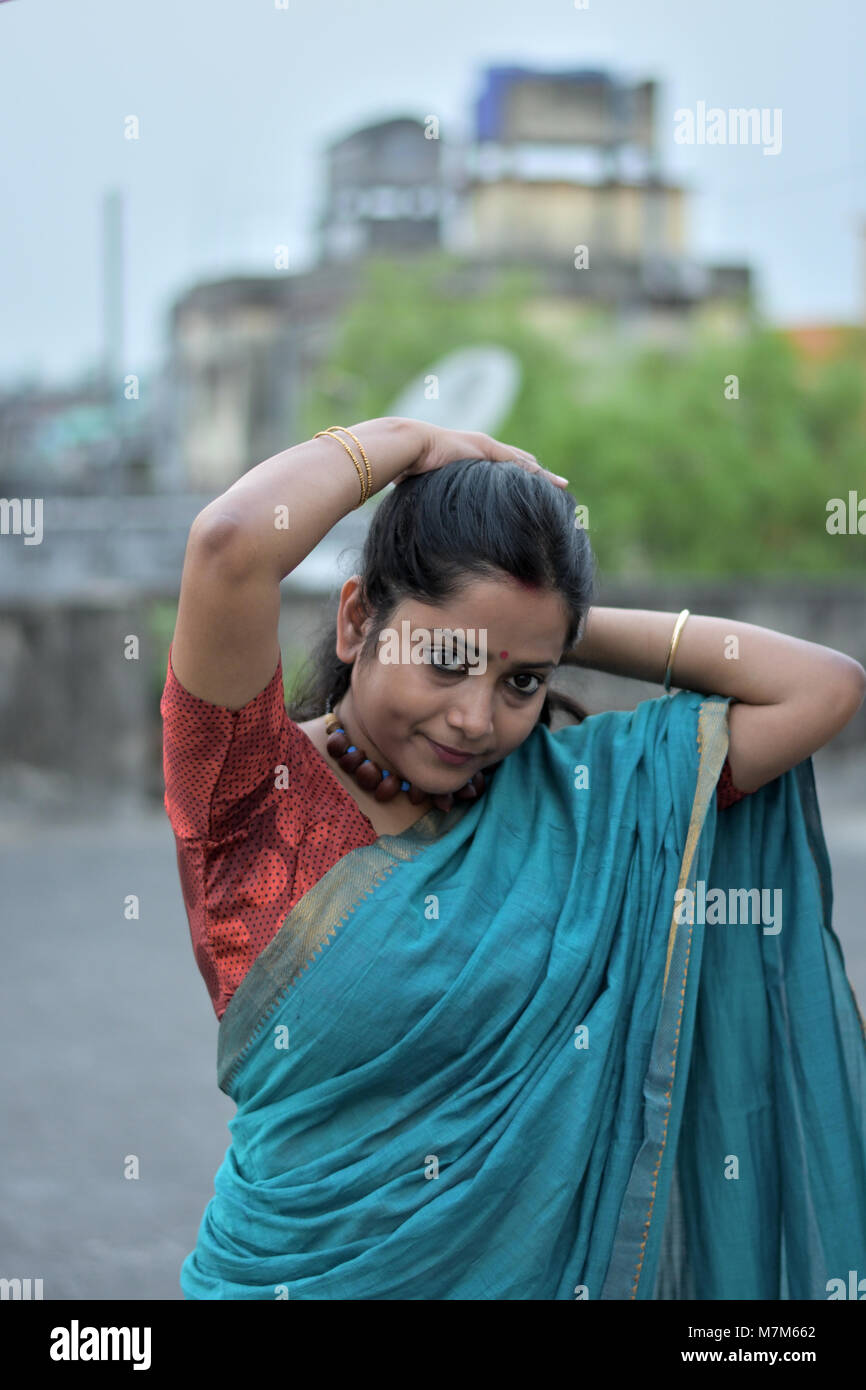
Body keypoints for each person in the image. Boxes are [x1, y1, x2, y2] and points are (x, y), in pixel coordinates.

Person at [161, 416, 866, 1300]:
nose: (475, 718)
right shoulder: (250, 792)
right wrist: (411, 440)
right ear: (356, 620)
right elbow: (229, 543)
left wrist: (550, 627)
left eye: (523, 683)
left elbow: (823, 686)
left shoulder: (579, 796)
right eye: (446, 661)